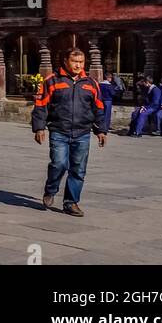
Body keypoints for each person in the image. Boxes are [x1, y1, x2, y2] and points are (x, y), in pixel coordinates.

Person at [32, 48, 106, 218]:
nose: (78, 65)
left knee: (78, 169)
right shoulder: (52, 80)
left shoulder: (91, 83)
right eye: (75, 62)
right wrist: (39, 127)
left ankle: (71, 202)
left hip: (82, 132)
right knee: (59, 164)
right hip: (59, 131)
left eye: (81, 62)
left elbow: (99, 108)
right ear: (65, 61)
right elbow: (41, 105)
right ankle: (51, 189)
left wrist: (101, 130)